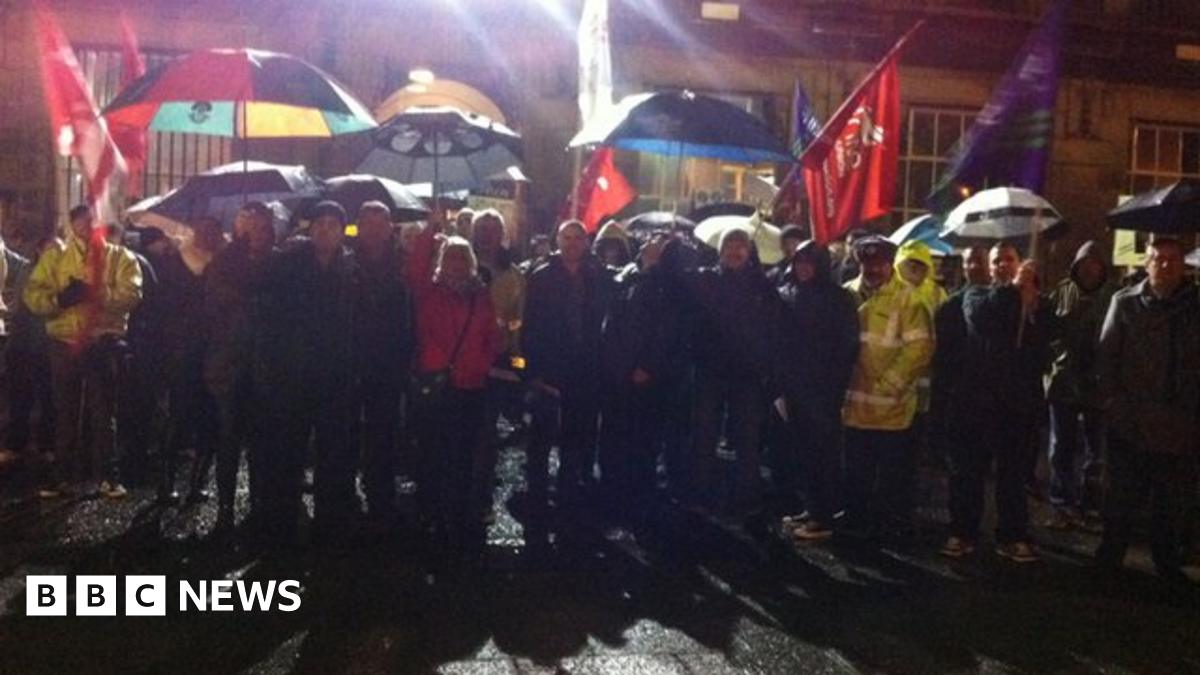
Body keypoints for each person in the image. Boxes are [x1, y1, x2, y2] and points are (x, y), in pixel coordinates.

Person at [939, 242, 1054, 563]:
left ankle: (1013, 534)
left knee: (1014, 477)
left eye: (1009, 260)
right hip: (975, 405)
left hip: (1016, 407)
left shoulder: (1036, 303)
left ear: (1019, 264)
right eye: (996, 261)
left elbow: (1045, 344)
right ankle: (963, 532)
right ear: (989, 268)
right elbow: (983, 319)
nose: (1003, 265)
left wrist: (1030, 311)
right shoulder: (977, 296)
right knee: (967, 474)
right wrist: (1015, 294)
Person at [1095, 238, 1199, 585]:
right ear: (1146, 263)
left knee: (1170, 500)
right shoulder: (1124, 303)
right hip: (1132, 419)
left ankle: (1166, 560)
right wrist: (1112, 401)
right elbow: (1107, 355)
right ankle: (1110, 555)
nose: (1165, 266)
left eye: (1172, 259)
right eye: (1158, 259)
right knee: (1122, 495)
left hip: (1180, 422)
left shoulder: (1194, 306)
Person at [256, 201, 359, 546]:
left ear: (342, 230)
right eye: (320, 223)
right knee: (290, 449)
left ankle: (330, 521)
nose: (325, 230)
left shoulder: (352, 268)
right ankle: (283, 519)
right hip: (294, 374)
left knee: (333, 451)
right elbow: (270, 316)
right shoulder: (288, 265)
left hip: (336, 376)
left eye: (333, 224)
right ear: (310, 227)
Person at [24, 204, 143, 499]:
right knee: (66, 411)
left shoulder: (119, 257)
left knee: (103, 411)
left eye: (90, 221)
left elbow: (132, 295)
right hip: (64, 342)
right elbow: (32, 295)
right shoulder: (56, 257)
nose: (85, 226)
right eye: (80, 221)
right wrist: (60, 299)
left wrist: (96, 294)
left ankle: (106, 476)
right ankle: (64, 475)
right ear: (72, 224)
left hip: (102, 342)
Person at [406, 217, 498, 567]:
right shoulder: (429, 291)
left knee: (462, 457)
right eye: (452, 256)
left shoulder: (480, 295)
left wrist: (484, 362)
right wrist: (430, 230)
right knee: (434, 453)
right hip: (439, 385)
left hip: (471, 385)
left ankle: (457, 516)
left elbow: (491, 335)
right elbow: (416, 266)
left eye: (463, 257)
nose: (457, 263)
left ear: (471, 262)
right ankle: (431, 514)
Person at [522, 220, 619, 541]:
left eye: (579, 238)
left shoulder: (599, 276)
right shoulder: (541, 276)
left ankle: (569, 491)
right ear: (557, 240)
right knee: (541, 434)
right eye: (567, 237)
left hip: (586, 369)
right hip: (550, 367)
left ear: (587, 242)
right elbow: (530, 327)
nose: (573, 243)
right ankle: (537, 492)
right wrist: (534, 371)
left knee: (578, 435)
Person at [685, 227, 781, 524]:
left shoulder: (761, 285)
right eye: (730, 245)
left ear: (748, 251)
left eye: (740, 246)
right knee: (704, 436)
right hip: (710, 371)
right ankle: (701, 494)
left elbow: (772, 327)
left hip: (746, 375)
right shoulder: (707, 279)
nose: (734, 252)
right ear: (721, 249)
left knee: (746, 440)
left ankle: (747, 498)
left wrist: (763, 365)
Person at [841, 235, 933, 538]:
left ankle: (890, 525)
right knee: (857, 471)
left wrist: (888, 386)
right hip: (854, 406)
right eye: (868, 263)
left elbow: (919, 348)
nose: (874, 269)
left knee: (892, 475)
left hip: (891, 410)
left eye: (880, 263)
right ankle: (857, 519)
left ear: (889, 263)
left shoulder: (909, 299)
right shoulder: (848, 294)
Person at [597, 234, 691, 527]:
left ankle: (639, 498)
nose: (649, 242)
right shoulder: (630, 275)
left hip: (644, 374)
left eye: (658, 241)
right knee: (616, 433)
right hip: (619, 370)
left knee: (642, 437)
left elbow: (666, 330)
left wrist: (648, 365)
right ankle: (614, 491)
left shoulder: (667, 284)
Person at [201, 202, 276, 534]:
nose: (255, 233)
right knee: (228, 441)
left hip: (266, 367)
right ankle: (225, 509)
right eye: (250, 226)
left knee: (263, 443)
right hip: (230, 364)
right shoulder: (225, 262)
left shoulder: (279, 263)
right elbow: (214, 300)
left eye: (261, 227)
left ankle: (260, 506)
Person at [778, 241, 860, 540]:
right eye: (799, 261)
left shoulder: (838, 299)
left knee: (822, 452)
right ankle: (812, 506)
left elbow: (847, 345)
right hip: (795, 387)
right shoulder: (790, 293)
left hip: (823, 389)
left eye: (809, 262)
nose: (803, 267)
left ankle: (824, 514)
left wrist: (833, 386)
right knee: (803, 451)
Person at [1044, 241, 1117, 528]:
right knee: (1062, 446)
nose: (1089, 269)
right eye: (1084, 264)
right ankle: (1062, 504)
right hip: (1064, 382)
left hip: (1098, 384)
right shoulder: (1060, 293)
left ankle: (1091, 503)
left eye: (1095, 263)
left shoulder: (1114, 296)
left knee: (1095, 450)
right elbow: (1047, 333)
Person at [351, 201, 413, 532]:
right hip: (350, 360)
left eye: (381, 222)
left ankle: (380, 498)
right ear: (359, 226)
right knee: (345, 432)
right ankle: (344, 496)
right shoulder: (347, 261)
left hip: (389, 362)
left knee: (384, 433)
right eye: (368, 223)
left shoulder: (403, 263)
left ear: (390, 226)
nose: (374, 229)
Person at [1, 237, 54, 467]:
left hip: (45, 344)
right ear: (39, 248)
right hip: (21, 343)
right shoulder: (25, 267)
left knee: (47, 398)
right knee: (19, 397)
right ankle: (16, 445)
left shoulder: (58, 275)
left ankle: (46, 446)